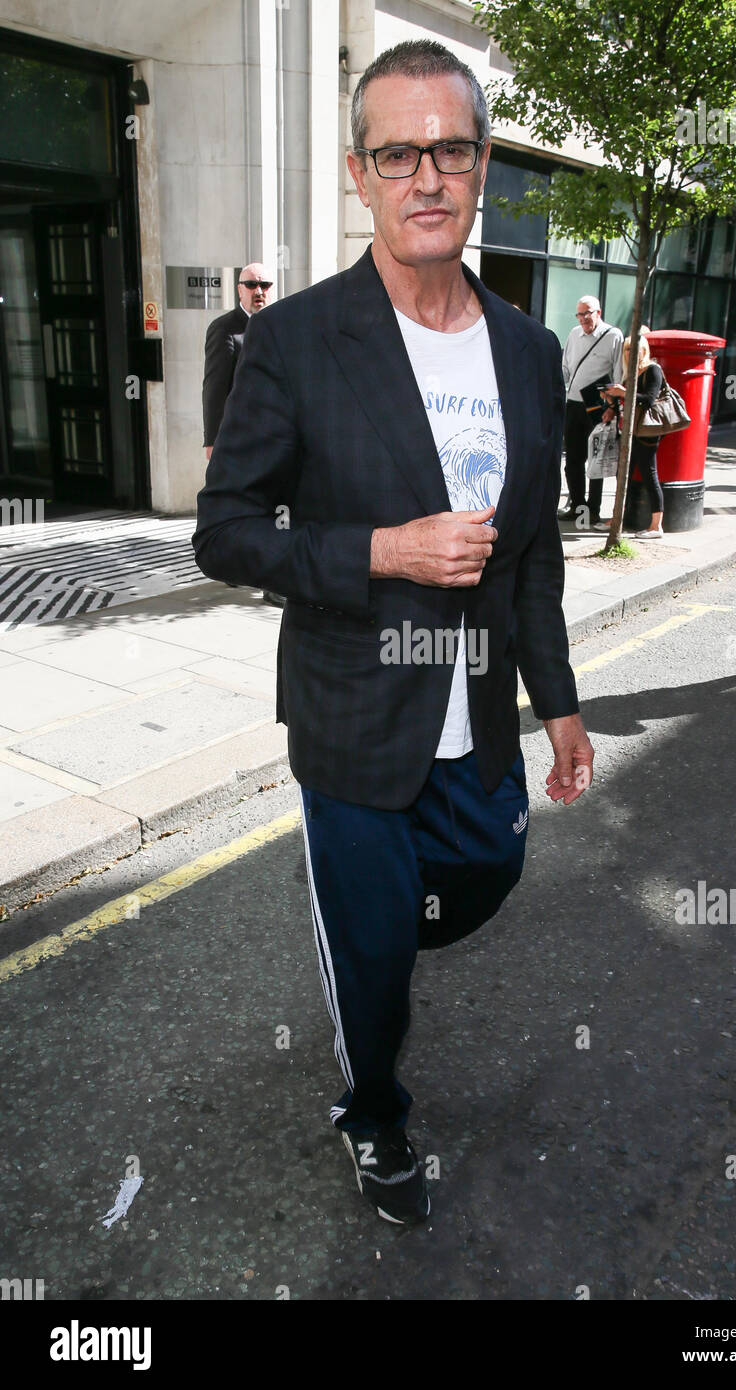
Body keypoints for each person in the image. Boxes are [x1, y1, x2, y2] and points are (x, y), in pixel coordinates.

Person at [192, 39, 594, 1225]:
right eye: (397, 152)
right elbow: (224, 531)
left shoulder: (527, 350)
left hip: (477, 722)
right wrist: (380, 549)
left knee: (487, 869)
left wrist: (560, 709)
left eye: (452, 149)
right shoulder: (301, 338)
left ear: (481, 168)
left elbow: (531, 557)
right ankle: (375, 1112)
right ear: (361, 174)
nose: (428, 175)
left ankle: (380, 940)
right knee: (374, 958)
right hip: (355, 720)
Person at [202, 263, 282, 608]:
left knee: (270, 507)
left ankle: (259, 573)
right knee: (245, 508)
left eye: (265, 283)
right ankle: (258, 576)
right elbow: (215, 387)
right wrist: (212, 440)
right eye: (252, 284)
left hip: (275, 437)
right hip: (239, 440)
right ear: (239, 289)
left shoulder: (280, 324)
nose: (259, 290)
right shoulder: (225, 330)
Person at [559, 296, 623, 526]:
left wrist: (614, 408)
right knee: (573, 459)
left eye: (588, 313)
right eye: (580, 314)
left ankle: (593, 511)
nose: (584, 318)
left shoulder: (613, 335)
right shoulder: (574, 334)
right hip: (574, 403)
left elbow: (618, 374)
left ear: (599, 312)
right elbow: (565, 368)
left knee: (597, 460)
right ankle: (577, 506)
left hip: (599, 406)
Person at [602, 327, 665, 538]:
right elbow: (627, 401)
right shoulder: (630, 374)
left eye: (635, 348)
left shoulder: (652, 370)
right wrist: (611, 400)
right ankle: (617, 518)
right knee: (622, 477)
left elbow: (649, 400)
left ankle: (656, 526)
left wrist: (624, 391)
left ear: (644, 350)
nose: (630, 352)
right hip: (627, 431)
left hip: (645, 433)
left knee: (649, 474)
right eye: (627, 348)